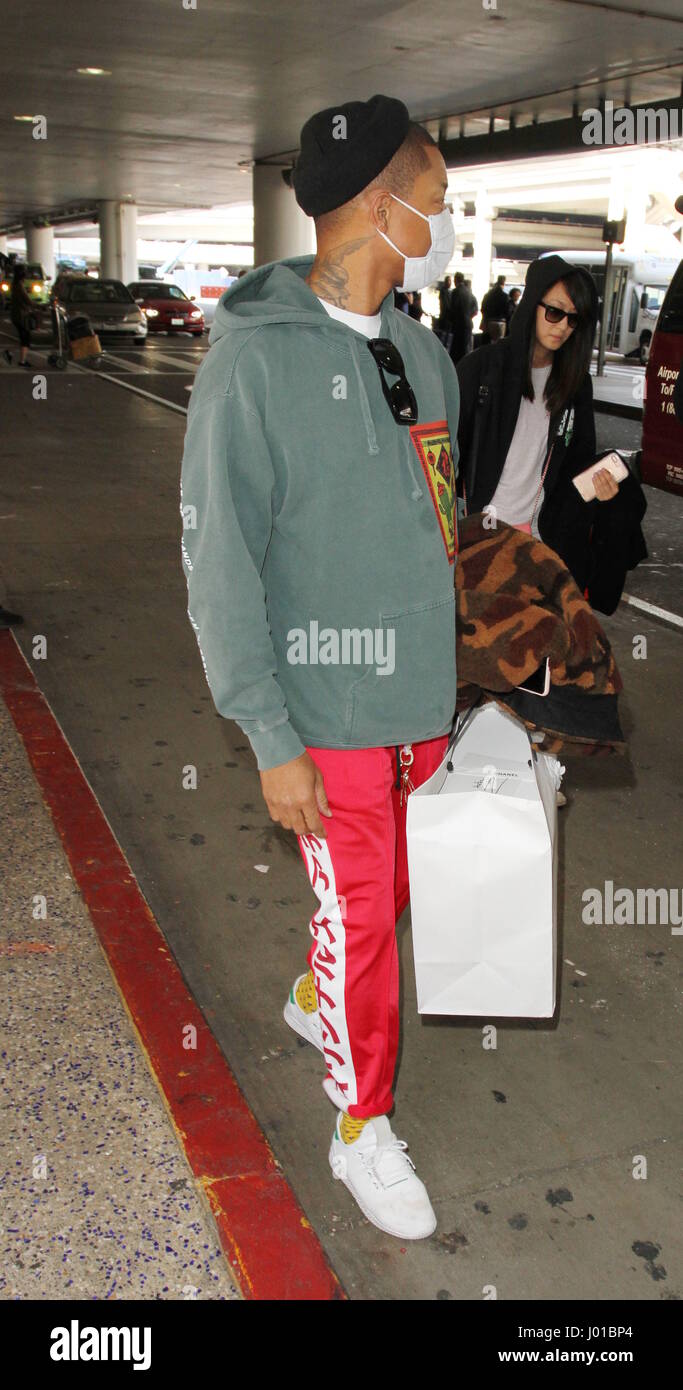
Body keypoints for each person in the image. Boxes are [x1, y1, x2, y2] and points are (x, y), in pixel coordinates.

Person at [180, 94, 460, 1241]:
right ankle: (360, 1127)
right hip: (326, 713)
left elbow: (441, 525)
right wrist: (266, 732)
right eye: (426, 208)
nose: (434, 231)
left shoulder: (424, 355)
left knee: (382, 904)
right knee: (366, 918)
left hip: (418, 705)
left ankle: (314, 996)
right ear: (370, 207)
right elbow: (218, 560)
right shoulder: (250, 368)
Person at [455, 253, 647, 616]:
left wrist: (601, 486)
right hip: (479, 539)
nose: (562, 326)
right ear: (532, 304)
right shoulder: (481, 370)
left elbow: (578, 461)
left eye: (573, 319)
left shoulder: (574, 384)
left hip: (539, 540)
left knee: (538, 657)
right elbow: (446, 457)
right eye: (555, 312)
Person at [8, 264, 35, 367]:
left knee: (23, 337)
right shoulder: (19, 286)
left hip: (16, 315)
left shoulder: (15, 284)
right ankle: (22, 361)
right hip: (21, 316)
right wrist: (41, 305)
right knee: (25, 338)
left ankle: (21, 359)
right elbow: (28, 301)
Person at [480, 274, 509, 343]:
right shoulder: (505, 296)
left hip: (489, 321)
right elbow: (507, 310)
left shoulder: (488, 295)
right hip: (500, 321)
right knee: (498, 344)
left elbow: (483, 308)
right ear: (504, 282)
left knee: (487, 344)